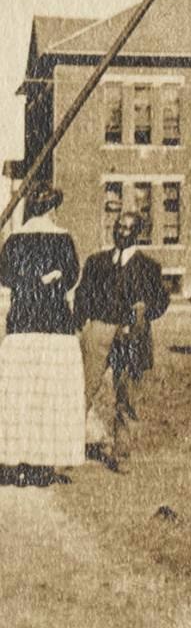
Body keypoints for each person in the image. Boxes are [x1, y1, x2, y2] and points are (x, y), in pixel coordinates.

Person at [0, 182, 84, 487]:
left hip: (22, 327)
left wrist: (28, 282)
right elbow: (72, 275)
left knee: (20, 397)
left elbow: (5, 276)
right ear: (51, 209)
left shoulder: (13, 241)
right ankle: (40, 466)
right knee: (49, 398)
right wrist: (50, 280)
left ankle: (16, 464)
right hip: (54, 329)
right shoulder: (63, 240)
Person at [73, 211, 169, 469]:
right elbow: (82, 295)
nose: (123, 232)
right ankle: (67, 449)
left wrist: (144, 310)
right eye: (119, 227)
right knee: (82, 389)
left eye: (129, 228)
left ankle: (121, 452)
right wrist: (81, 325)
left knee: (126, 395)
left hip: (131, 335)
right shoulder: (97, 262)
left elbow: (162, 301)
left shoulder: (149, 267)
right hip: (99, 330)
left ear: (137, 233)